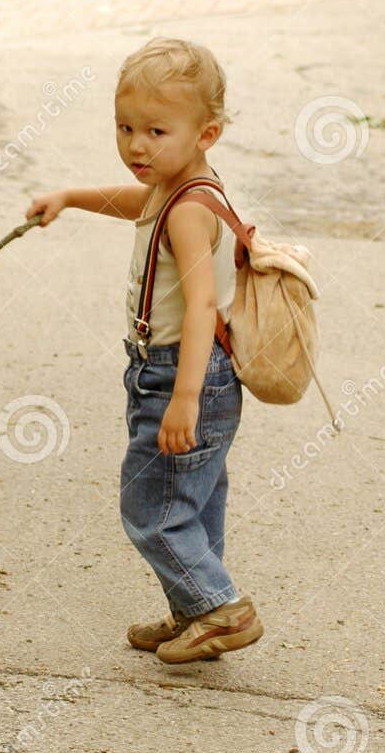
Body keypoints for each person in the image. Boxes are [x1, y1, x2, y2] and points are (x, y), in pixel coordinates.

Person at [25, 38, 262, 665]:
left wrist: (184, 398)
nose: (137, 146)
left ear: (206, 133)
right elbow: (138, 204)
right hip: (193, 375)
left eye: (157, 131)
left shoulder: (185, 211)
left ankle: (221, 609)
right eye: (125, 127)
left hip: (182, 374)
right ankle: (195, 610)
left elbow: (202, 307)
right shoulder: (184, 186)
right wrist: (71, 197)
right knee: (193, 501)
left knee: (149, 507)